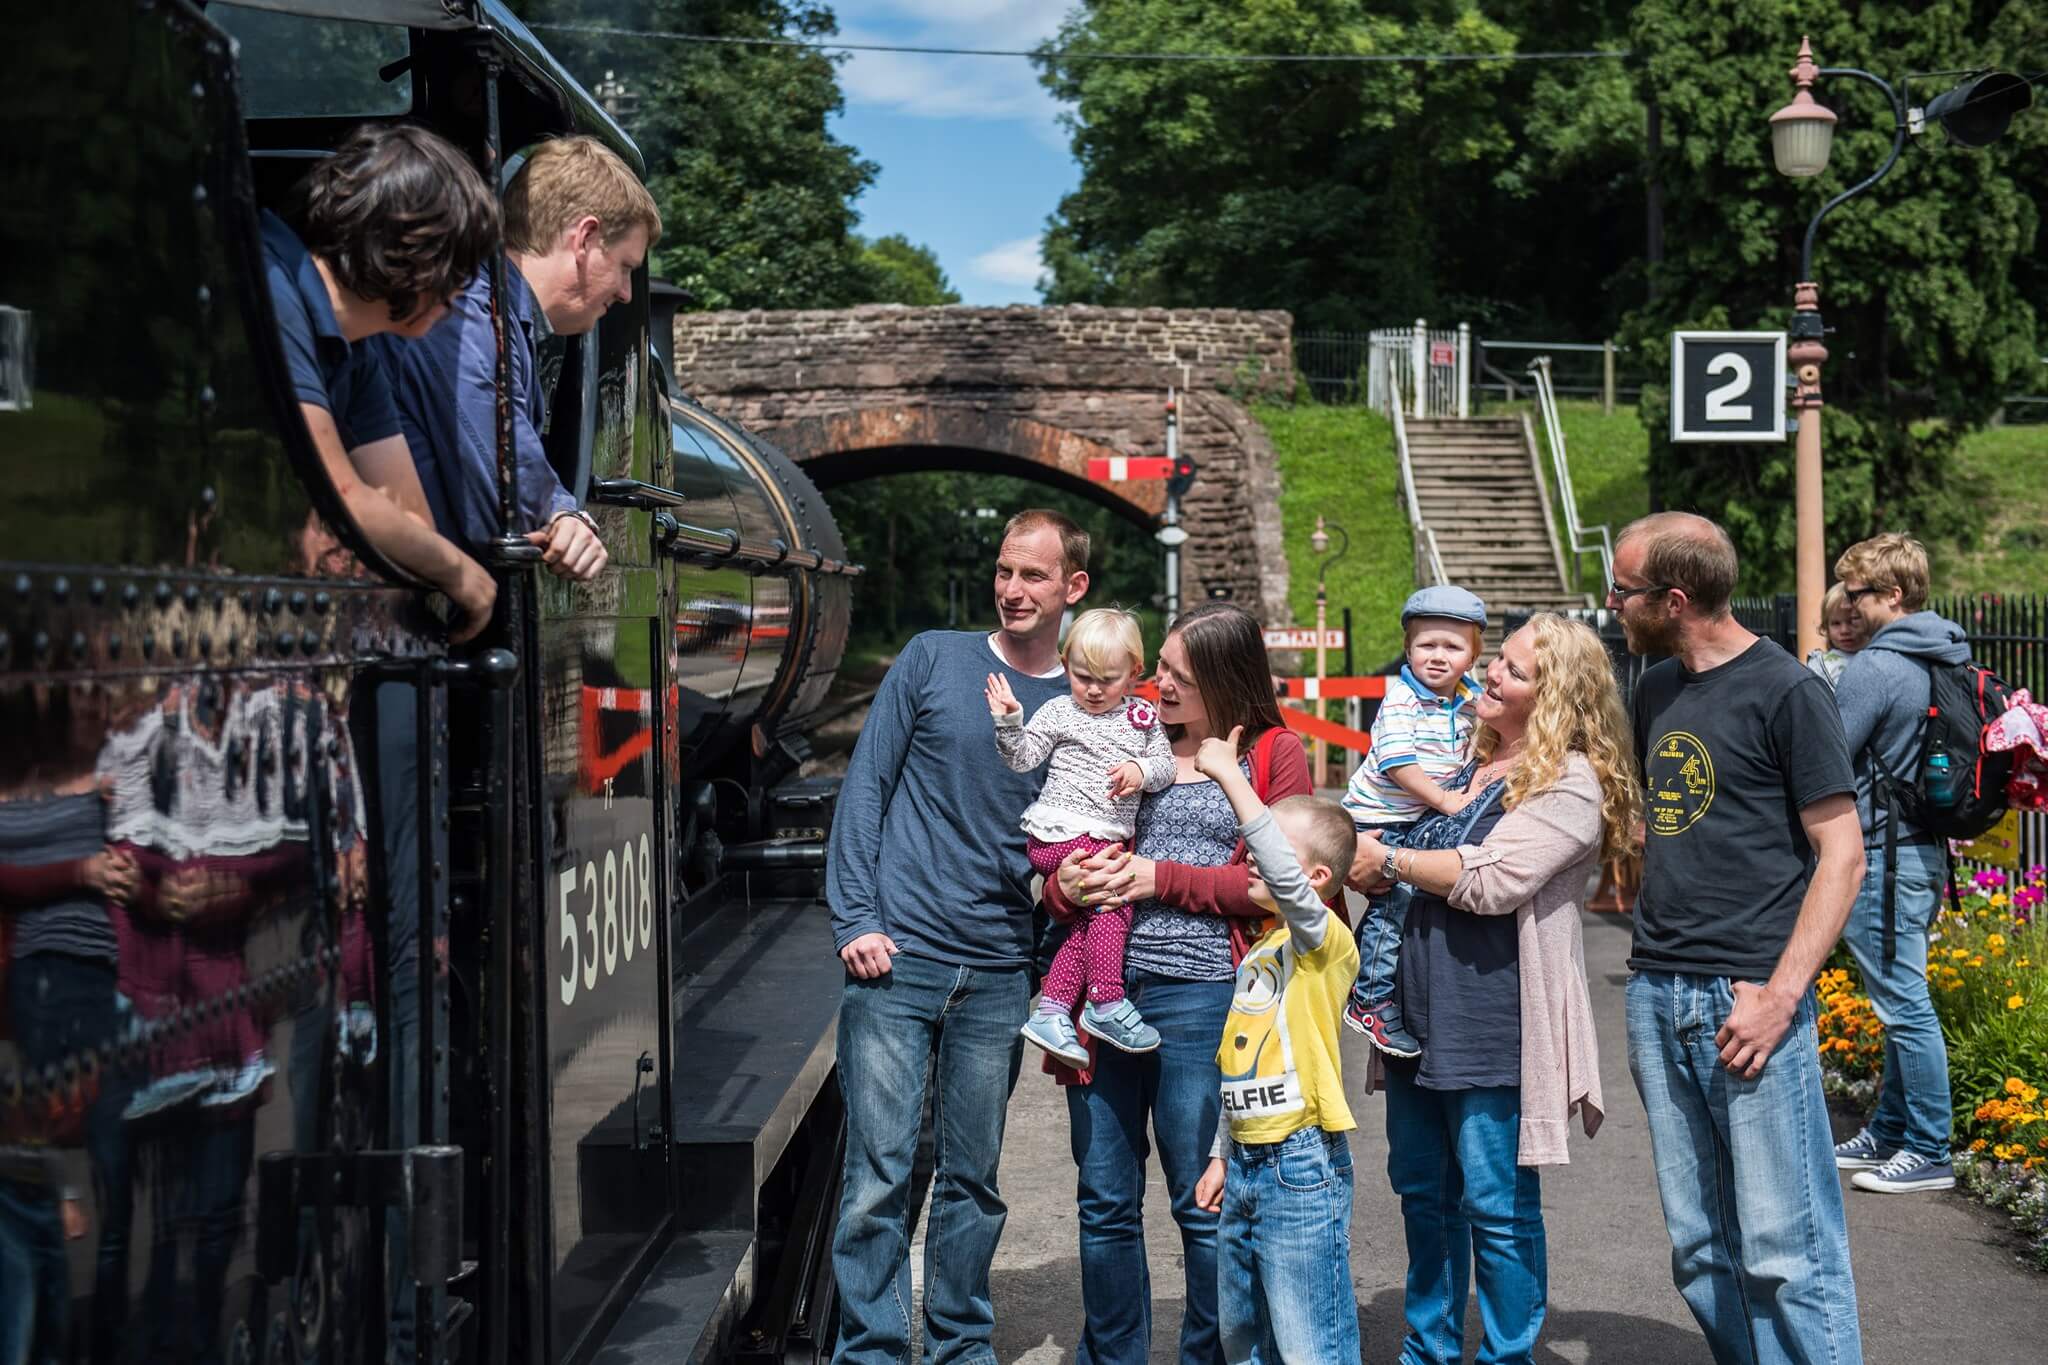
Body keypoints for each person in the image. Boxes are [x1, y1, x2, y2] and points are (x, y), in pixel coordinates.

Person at [826, 508, 1089, 1364]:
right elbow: (864, 789)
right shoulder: (935, 658)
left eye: (1034, 576)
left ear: (1072, 588)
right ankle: (869, 1350)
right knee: (878, 1177)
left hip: (1000, 967)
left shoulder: (1082, 705)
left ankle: (958, 1346)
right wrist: (857, 917)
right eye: (1006, 571)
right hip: (897, 959)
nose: (1013, 589)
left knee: (973, 1182)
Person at [1610, 512, 1866, 1364]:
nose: (1613, 603)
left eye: (1623, 589)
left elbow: (1842, 853)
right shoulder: (1654, 687)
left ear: (1673, 598)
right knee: (1700, 1246)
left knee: (1788, 1250)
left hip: (1749, 997)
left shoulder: (1789, 691)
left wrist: (1782, 993)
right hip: (1657, 990)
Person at [1352, 614, 1638, 1364]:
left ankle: (1505, 1354)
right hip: (1417, 1016)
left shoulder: (1571, 782)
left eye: (1510, 668)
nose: (1489, 675)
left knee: (1495, 1206)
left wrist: (1386, 859)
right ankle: (1428, 1349)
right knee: (1422, 1193)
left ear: (1553, 695)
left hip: (1494, 1020)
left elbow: (1494, 881)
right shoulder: (1461, 767)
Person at [1043, 600, 1312, 1365]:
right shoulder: (1128, 734)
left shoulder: (1269, 753)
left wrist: (1159, 877)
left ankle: (1211, 1353)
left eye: (1176, 674)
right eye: (1158, 665)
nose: (1154, 682)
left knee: (1202, 1198)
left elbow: (1281, 886)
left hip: (1207, 998)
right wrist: (1064, 884)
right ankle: (1114, 1355)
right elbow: (1067, 835)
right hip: (1103, 991)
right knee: (1103, 1199)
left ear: (1224, 681)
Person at [373, 134, 661, 582]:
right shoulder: (469, 311)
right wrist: (562, 516)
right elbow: (500, 478)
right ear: (584, 238)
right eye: (625, 266)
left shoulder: (502, 318)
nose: (626, 293)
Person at [263, 122, 500, 639]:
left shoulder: (360, 348)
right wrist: (463, 576)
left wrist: (430, 551)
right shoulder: (272, 289)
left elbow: (409, 518)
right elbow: (344, 494)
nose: (461, 296)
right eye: (457, 270)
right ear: (413, 256)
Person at [1188, 743, 1360, 1365]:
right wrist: (1219, 1156)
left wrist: (1234, 781)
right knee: (1243, 1337)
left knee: (1308, 1339)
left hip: (1301, 1165)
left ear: (1313, 880)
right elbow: (1242, 1061)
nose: (1251, 858)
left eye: (1268, 848)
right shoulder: (1261, 952)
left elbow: (1285, 882)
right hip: (1245, 1164)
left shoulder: (1324, 943)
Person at [1827, 533, 1969, 1194]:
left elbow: (1825, 758)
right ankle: (1889, 1129)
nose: (1847, 606)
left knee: (1904, 1003)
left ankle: (1929, 1147)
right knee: (1897, 996)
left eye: (1856, 593)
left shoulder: (1878, 668)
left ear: (1891, 595)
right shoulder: (1941, 654)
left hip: (1883, 856)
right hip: (1920, 851)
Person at [988, 607, 1177, 1064]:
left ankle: (1052, 1010)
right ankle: (1106, 1000)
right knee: (1113, 903)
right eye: (1081, 676)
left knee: (1089, 921)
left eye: (1107, 679)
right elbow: (1022, 758)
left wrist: (1141, 768)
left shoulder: (1143, 718)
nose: (1092, 690)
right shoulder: (1059, 710)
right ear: (1065, 662)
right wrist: (1010, 722)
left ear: (1133, 672)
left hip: (1103, 836)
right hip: (1060, 833)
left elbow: (1166, 766)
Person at [1340, 584, 1486, 1057]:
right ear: (1408, 650)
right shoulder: (1402, 698)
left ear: (1473, 655)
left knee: (1398, 904)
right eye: (1426, 645)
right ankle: (1370, 998)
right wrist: (1444, 800)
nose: (1438, 657)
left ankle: (1361, 974)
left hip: (1415, 815)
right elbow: (1397, 763)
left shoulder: (1470, 699)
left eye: (1453, 647)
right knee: (1395, 899)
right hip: (1381, 815)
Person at [1804, 582, 1869, 686]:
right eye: (1836, 623)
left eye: (1851, 621)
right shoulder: (1820, 665)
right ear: (1826, 627)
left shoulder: (1879, 658)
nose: (1844, 630)